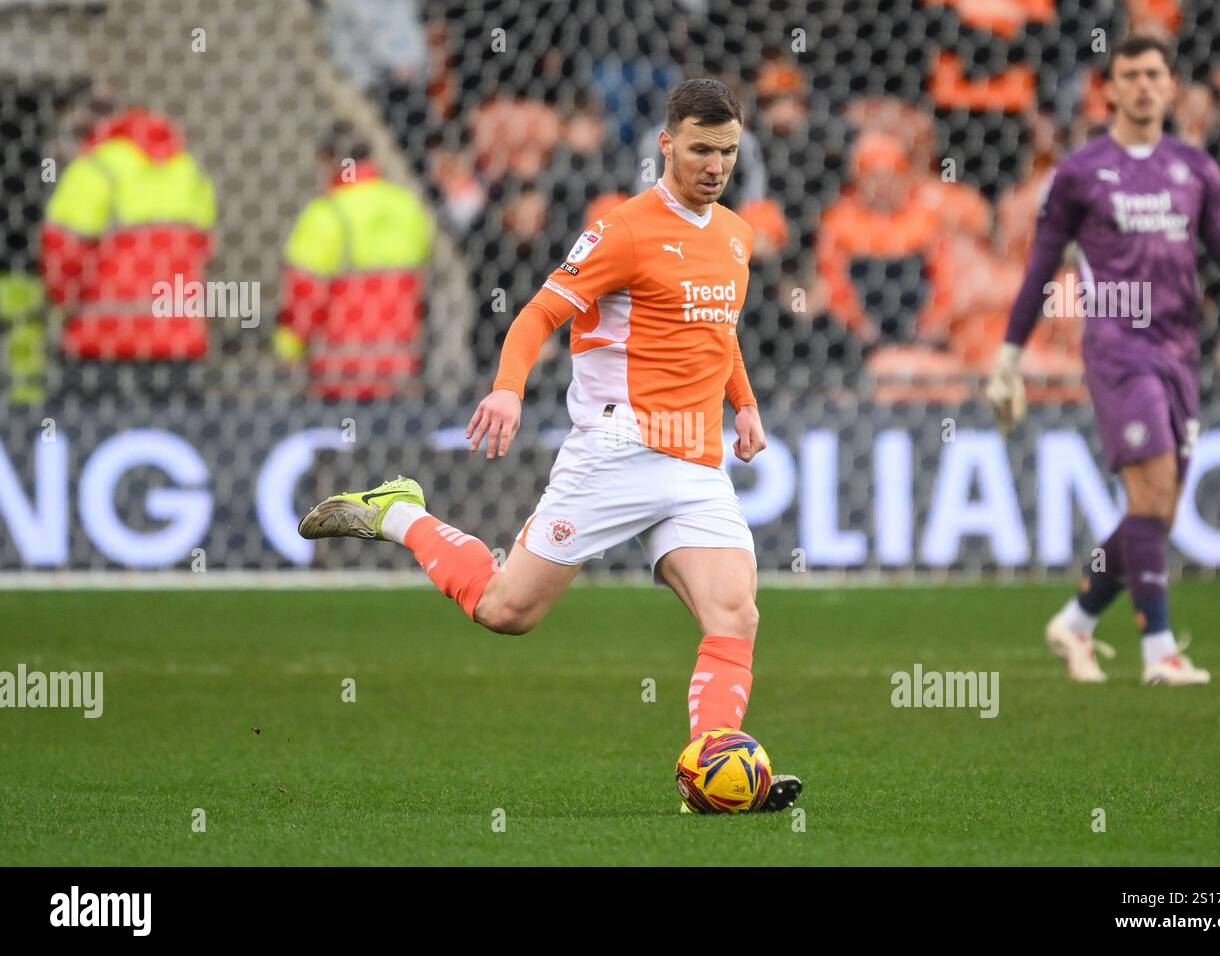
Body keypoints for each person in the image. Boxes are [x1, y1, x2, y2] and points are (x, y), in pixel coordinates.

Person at [297, 79, 800, 812]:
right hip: (617, 448)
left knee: (736, 614)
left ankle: (708, 772)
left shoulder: (736, 235)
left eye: (725, 151)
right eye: (699, 149)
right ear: (666, 144)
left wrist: (745, 407)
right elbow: (537, 313)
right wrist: (507, 386)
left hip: (696, 460)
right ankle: (399, 513)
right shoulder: (622, 230)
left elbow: (717, 333)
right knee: (506, 611)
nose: (714, 165)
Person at [985, 36, 1220, 686]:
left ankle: (1078, 620)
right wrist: (1009, 355)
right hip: (1120, 347)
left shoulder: (1195, 168)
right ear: (1111, 89)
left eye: (1154, 74)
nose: (1144, 85)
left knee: (1161, 510)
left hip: (1180, 349)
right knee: (1149, 493)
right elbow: (1041, 268)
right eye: (1131, 76)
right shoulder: (1082, 172)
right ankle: (1161, 652)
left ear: (1171, 85)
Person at [41, 107, 215, 397]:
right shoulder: (187, 170)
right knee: (173, 430)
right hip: (175, 338)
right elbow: (205, 248)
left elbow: (62, 249)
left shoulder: (95, 168)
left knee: (83, 427)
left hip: (99, 337)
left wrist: (64, 301)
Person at [274, 123, 433, 401]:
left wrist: (288, 350)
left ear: (327, 162)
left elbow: (303, 296)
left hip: (341, 369)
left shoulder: (325, 215)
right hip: (399, 364)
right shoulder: (407, 206)